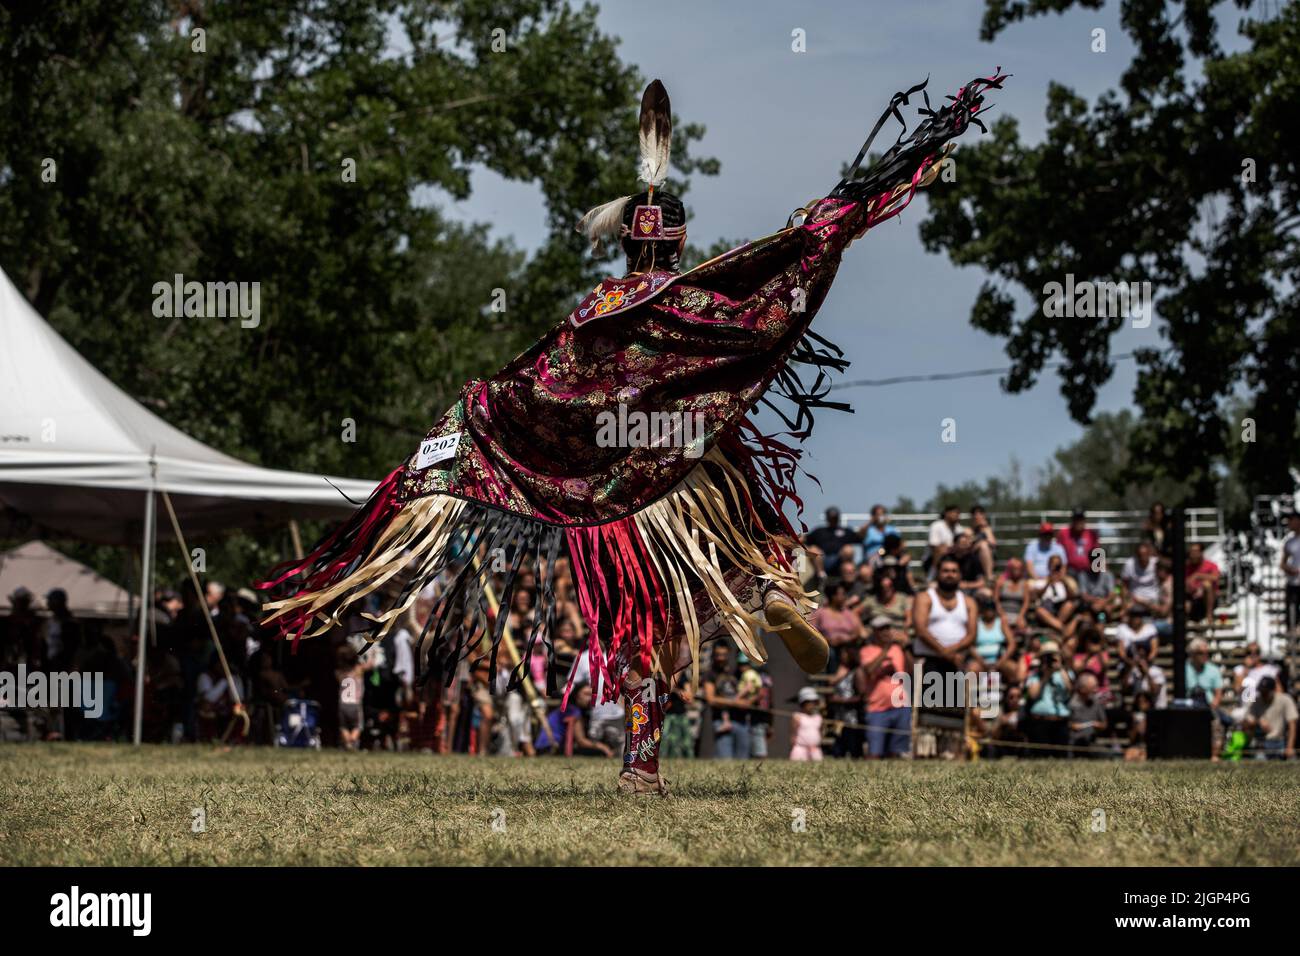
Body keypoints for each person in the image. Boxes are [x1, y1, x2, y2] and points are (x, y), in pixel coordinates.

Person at [260, 72, 1007, 794]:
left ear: (626, 244)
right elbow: (776, 278)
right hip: (691, 468)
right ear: (679, 243)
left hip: (609, 499)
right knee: (759, 536)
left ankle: (641, 765)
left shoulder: (591, 313)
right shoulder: (694, 296)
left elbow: (536, 387)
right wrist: (858, 205)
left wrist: (479, 415)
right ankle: (771, 588)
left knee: (635, 624)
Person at [911, 555, 977, 675]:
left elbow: (972, 635)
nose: (950, 575)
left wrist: (951, 652)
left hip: (957, 660)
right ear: (937, 574)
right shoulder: (925, 598)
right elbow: (921, 631)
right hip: (929, 661)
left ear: (960, 575)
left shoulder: (969, 602)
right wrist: (944, 652)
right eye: (945, 571)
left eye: (954, 571)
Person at [856, 615, 910, 758]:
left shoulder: (898, 650)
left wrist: (906, 648)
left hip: (901, 705)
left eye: (888, 628)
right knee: (875, 752)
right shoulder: (866, 650)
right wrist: (886, 650)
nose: (886, 632)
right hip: (877, 708)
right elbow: (869, 670)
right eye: (882, 629)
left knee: (897, 752)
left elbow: (909, 672)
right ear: (874, 632)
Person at [1024, 640, 1072, 756]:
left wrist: (1060, 668)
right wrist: (1045, 676)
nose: (1050, 660)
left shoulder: (1064, 673)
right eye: (1047, 657)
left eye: (1053, 657)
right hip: (1040, 721)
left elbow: (1069, 690)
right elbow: (1032, 695)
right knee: (1040, 757)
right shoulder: (1035, 675)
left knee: (1061, 758)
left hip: (1060, 720)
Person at [803, 506, 865, 578]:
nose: (833, 520)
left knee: (848, 549)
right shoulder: (819, 531)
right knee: (813, 549)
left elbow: (860, 539)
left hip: (840, 561)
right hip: (822, 561)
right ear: (827, 518)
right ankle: (821, 576)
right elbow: (804, 540)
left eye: (835, 518)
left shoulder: (846, 531)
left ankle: (849, 573)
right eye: (831, 518)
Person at [1244, 676, 1296, 759]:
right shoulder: (1255, 702)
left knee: (1293, 761)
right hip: (1261, 743)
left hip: (1280, 742)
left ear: (1273, 690)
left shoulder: (1285, 700)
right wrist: (1257, 722)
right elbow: (1246, 723)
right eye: (1261, 692)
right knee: (1259, 761)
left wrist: (1290, 747)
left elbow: (1292, 724)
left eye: (1266, 692)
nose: (1263, 694)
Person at [1057, 508, 1100, 589]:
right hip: (1070, 571)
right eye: (1076, 519)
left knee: (1105, 576)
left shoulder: (1091, 534)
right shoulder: (1064, 533)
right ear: (1072, 520)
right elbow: (1058, 554)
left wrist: (1098, 569)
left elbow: (1098, 553)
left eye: (1080, 519)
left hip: (1088, 571)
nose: (1078, 522)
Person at [1067, 671, 1107, 757]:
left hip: (1091, 743)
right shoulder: (1070, 702)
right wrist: (1071, 725)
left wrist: (1099, 725)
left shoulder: (1096, 703)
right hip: (1072, 743)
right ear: (1082, 688)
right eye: (1093, 687)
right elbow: (1065, 723)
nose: (1096, 690)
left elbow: (1104, 724)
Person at [1121, 540, 1162, 612]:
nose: (1142, 557)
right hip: (1134, 599)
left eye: (1145, 554)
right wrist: (1125, 602)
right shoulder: (1129, 564)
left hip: (1152, 600)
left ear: (1149, 553)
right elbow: (1124, 585)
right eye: (1140, 555)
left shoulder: (1156, 563)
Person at [1184, 542, 1220, 622]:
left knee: (1207, 585)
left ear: (1201, 552)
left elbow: (1215, 577)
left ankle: (1209, 616)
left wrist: (1198, 576)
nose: (1193, 554)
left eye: (1196, 551)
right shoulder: (1186, 567)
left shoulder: (1211, 565)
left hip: (1209, 599)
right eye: (1191, 552)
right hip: (1192, 598)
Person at [994, 557, 1031, 634]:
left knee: (1022, 626)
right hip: (1003, 613)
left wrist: (1020, 616)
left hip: (1017, 614)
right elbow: (996, 600)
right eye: (1014, 568)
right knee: (1003, 624)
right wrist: (1002, 614)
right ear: (1010, 569)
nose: (1016, 571)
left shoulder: (1024, 584)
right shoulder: (1001, 582)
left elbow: (1026, 602)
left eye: (1019, 568)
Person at [926, 504, 965, 574]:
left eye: (958, 513)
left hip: (953, 556)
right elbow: (934, 546)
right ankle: (933, 576)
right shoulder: (936, 526)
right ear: (947, 513)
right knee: (940, 549)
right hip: (932, 559)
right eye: (955, 512)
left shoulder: (960, 529)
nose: (957, 515)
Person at [790, 687, 824, 761]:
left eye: (814, 702)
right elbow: (793, 733)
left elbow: (820, 732)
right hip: (800, 749)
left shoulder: (818, 717)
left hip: (815, 750)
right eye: (810, 702)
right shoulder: (797, 716)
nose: (812, 705)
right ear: (803, 703)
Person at [1281, 511, 1300, 635]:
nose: (1289, 524)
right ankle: (1292, 637)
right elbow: (1282, 563)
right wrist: (1290, 569)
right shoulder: (1289, 542)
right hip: (1294, 582)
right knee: (1291, 610)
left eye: (1291, 520)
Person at [968, 504, 998, 583]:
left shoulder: (987, 529)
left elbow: (993, 544)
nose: (978, 517)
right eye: (975, 515)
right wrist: (980, 543)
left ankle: (989, 576)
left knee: (984, 546)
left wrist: (984, 528)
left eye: (980, 514)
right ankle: (989, 576)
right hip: (973, 558)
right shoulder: (969, 530)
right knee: (983, 545)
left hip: (988, 555)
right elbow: (969, 547)